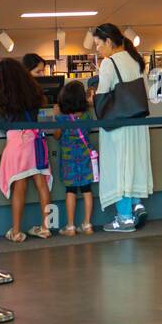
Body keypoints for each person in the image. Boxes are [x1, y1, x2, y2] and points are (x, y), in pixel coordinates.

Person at [92, 23, 152, 231]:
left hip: (119, 125)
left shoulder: (109, 63)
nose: (97, 50)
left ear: (108, 42)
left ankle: (124, 217)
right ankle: (137, 205)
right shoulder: (134, 60)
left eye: (98, 44)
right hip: (137, 122)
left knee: (119, 168)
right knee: (133, 164)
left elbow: (102, 92)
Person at [0, 57, 53, 242]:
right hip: (36, 139)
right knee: (41, 183)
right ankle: (45, 227)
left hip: (17, 141)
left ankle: (17, 231)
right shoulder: (34, 90)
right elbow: (42, 104)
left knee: (19, 185)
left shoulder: (3, 95)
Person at [55, 80, 96, 235]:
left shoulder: (62, 118)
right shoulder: (86, 115)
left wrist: (56, 117)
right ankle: (87, 225)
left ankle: (70, 226)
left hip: (68, 159)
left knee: (70, 190)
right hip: (85, 157)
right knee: (86, 189)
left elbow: (57, 136)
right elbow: (89, 130)